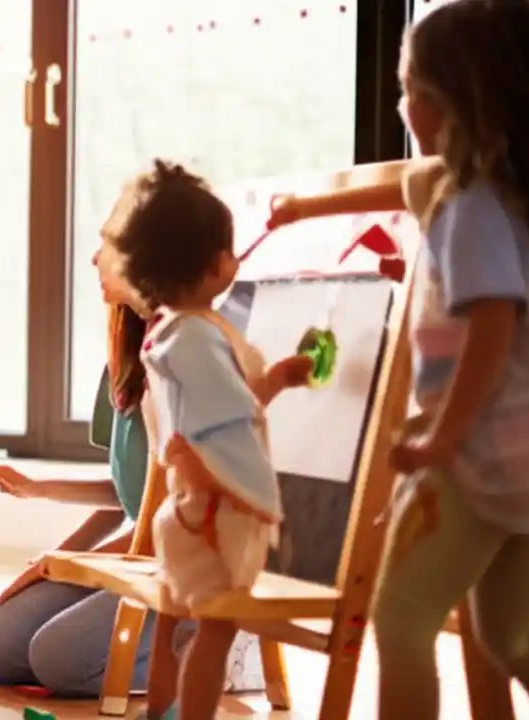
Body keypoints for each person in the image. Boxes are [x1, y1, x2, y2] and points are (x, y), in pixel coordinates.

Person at [282, 2, 529, 718]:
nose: (401, 106)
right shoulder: (516, 203)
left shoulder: (470, 207)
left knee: (400, 623)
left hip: (477, 458)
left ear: (444, 102)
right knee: (512, 633)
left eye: (406, 89)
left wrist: (442, 439)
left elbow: (493, 323)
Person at [0, 191, 266, 700]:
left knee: (56, 659)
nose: (93, 256)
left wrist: (61, 564)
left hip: (189, 565)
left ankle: (230, 657)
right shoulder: (130, 355)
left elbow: (170, 521)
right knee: (1, 644)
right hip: (142, 550)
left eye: (107, 242)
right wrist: (39, 494)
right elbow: (133, 490)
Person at [116, 160, 312, 720]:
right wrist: (272, 383)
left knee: (173, 619)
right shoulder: (198, 337)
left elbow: (221, 408)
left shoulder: (174, 332)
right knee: (216, 631)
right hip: (214, 513)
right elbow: (226, 419)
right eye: (229, 251)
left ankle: (160, 713)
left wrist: (273, 379)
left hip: (187, 511)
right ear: (210, 265)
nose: (236, 260)